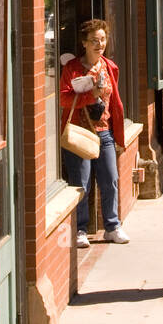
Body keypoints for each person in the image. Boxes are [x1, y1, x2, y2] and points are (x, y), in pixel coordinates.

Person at [60, 19, 129, 248]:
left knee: (110, 180)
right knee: (82, 183)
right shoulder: (72, 69)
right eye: (94, 40)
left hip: (104, 133)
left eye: (103, 39)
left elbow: (115, 102)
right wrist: (91, 94)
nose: (100, 44)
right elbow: (63, 98)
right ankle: (80, 229)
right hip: (79, 132)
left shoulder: (109, 67)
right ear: (84, 43)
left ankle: (112, 226)